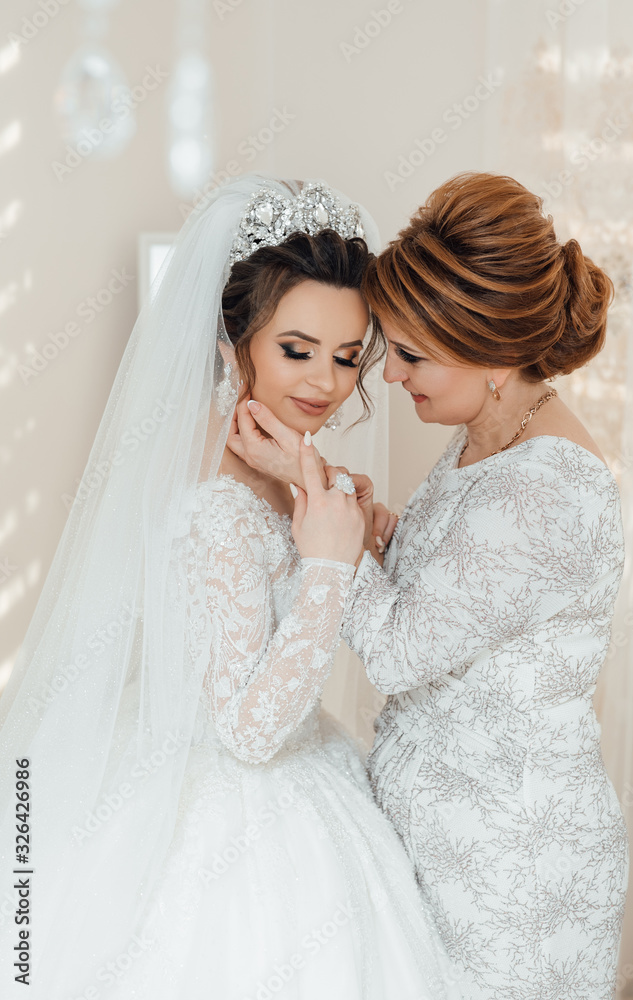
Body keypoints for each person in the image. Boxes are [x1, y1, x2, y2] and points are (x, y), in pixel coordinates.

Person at [0, 176, 456, 999]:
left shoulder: (282, 457)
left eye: (348, 357)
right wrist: (324, 566)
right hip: (236, 816)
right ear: (230, 340)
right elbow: (248, 731)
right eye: (296, 349)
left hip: (306, 773)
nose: (324, 381)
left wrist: (338, 514)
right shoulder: (215, 500)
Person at [235, 172, 629, 1000]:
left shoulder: (543, 489)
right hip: (443, 844)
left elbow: (399, 649)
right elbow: (445, 602)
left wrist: (312, 497)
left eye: (408, 356)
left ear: (490, 352)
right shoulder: (486, 437)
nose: (386, 376)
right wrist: (370, 532)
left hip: (511, 870)